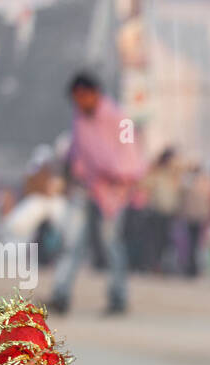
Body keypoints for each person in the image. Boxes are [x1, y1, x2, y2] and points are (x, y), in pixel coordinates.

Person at [50, 73, 147, 315]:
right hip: (86, 185)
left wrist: (122, 175)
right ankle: (61, 293)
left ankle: (118, 296)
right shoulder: (79, 119)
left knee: (111, 243)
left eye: (82, 97)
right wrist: (70, 171)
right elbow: (77, 149)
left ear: (94, 93)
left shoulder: (119, 117)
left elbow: (131, 149)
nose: (79, 103)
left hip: (114, 189)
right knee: (71, 241)